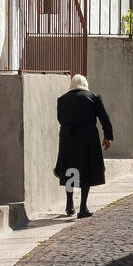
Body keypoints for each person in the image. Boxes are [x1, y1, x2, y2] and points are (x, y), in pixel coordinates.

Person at [53, 73, 113, 218]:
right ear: (85, 84)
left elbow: (60, 119)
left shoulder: (62, 100)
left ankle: (69, 205)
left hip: (68, 137)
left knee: (70, 170)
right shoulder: (93, 98)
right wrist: (107, 136)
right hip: (88, 138)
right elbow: (105, 118)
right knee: (86, 170)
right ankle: (83, 208)